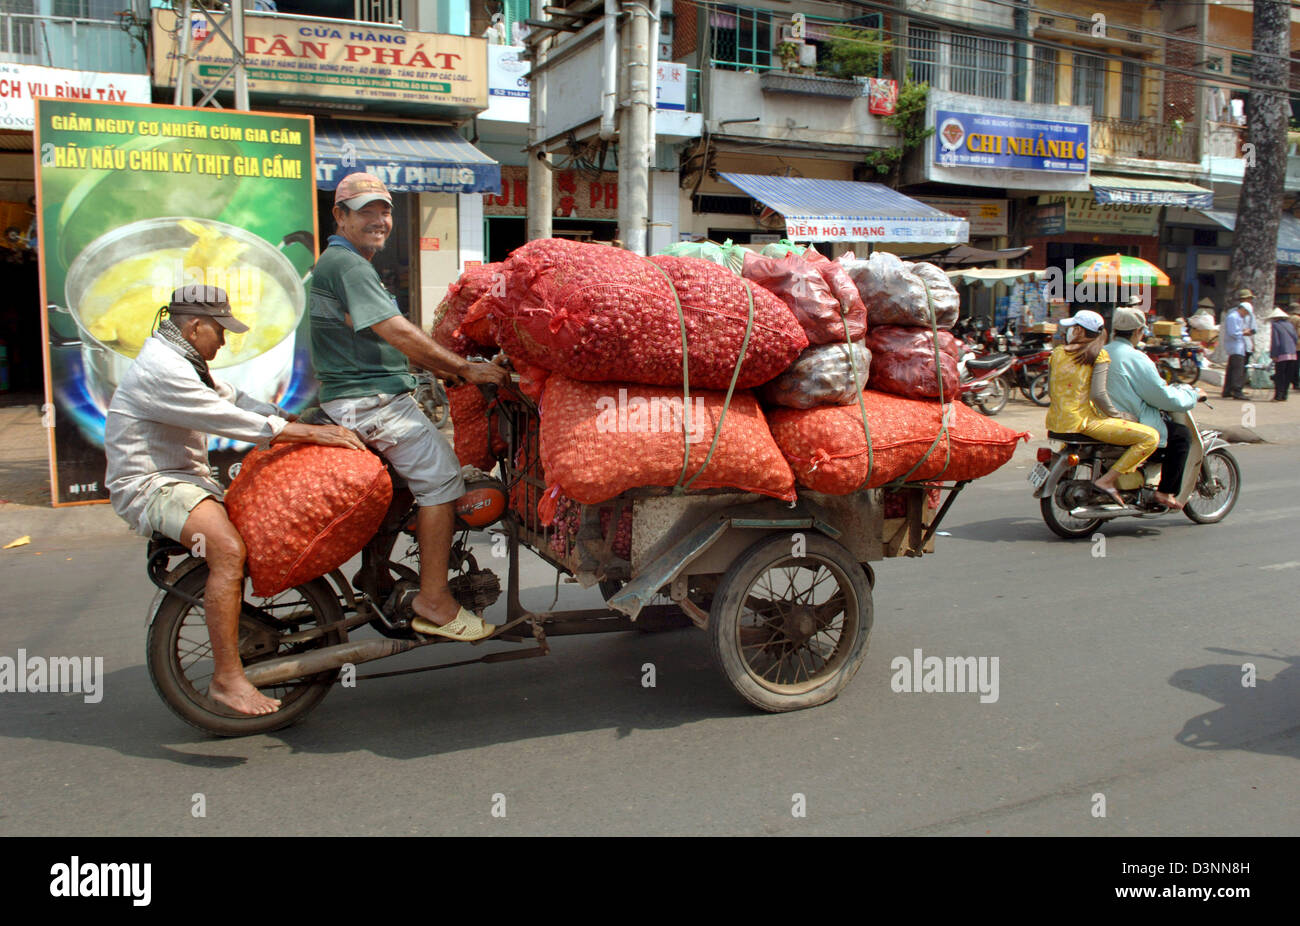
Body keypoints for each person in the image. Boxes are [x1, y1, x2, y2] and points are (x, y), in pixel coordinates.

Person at [106, 287, 367, 716]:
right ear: (194, 326)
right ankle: (227, 678)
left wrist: (297, 417)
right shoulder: (162, 370)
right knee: (227, 550)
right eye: (220, 331)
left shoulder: (184, 359)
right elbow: (229, 419)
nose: (224, 341)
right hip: (152, 486)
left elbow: (235, 399)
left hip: (188, 480)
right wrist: (309, 433)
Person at [310, 171, 510, 642]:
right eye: (365, 211)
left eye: (384, 210)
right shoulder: (348, 265)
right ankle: (435, 600)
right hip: (370, 402)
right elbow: (396, 330)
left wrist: (436, 366)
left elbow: (378, 337)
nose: (379, 219)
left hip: (359, 396)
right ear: (339, 216)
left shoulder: (342, 265)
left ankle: (376, 574)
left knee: (403, 490)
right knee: (441, 481)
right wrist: (465, 368)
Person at [1045, 309, 1160, 506]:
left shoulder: (1057, 353)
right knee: (1151, 437)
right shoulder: (1099, 355)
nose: (1069, 331)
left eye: (1073, 327)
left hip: (1055, 423)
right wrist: (1119, 415)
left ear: (1080, 331)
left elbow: (1051, 389)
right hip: (1083, 424)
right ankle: (1107, 480)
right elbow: (1098, 395)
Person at [1106, 306, 1202, 510]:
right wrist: (1192, 395)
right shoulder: (1136, 358)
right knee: (1181, 436)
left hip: (1102, 419)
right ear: (1138, 331)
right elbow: (1162, 397)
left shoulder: (1102, 352)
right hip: (1130, 422)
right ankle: (1164, 491)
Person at [1220, 289, 1254, 399]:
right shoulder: (1233, 316)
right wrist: (1244, 332)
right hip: (1235, 346)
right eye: (1246, 313)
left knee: (1232, 369)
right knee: (1237, 370)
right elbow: (1233, 333)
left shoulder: (1238, 317)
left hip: (1239, 346)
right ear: (1243, 309)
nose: (1246, 315)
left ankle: (1227, 390)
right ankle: (1237, 390)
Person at [1265, 307, 1299, 401]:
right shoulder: (1290, 325)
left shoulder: (1275, 326)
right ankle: (1284, 395)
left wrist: (1274, 354)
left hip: (1281, 353)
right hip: (1292, 353)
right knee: (1288, 375)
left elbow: (1275, 342)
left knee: (1280, 375)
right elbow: (1295, 338)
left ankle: (1278, 395)